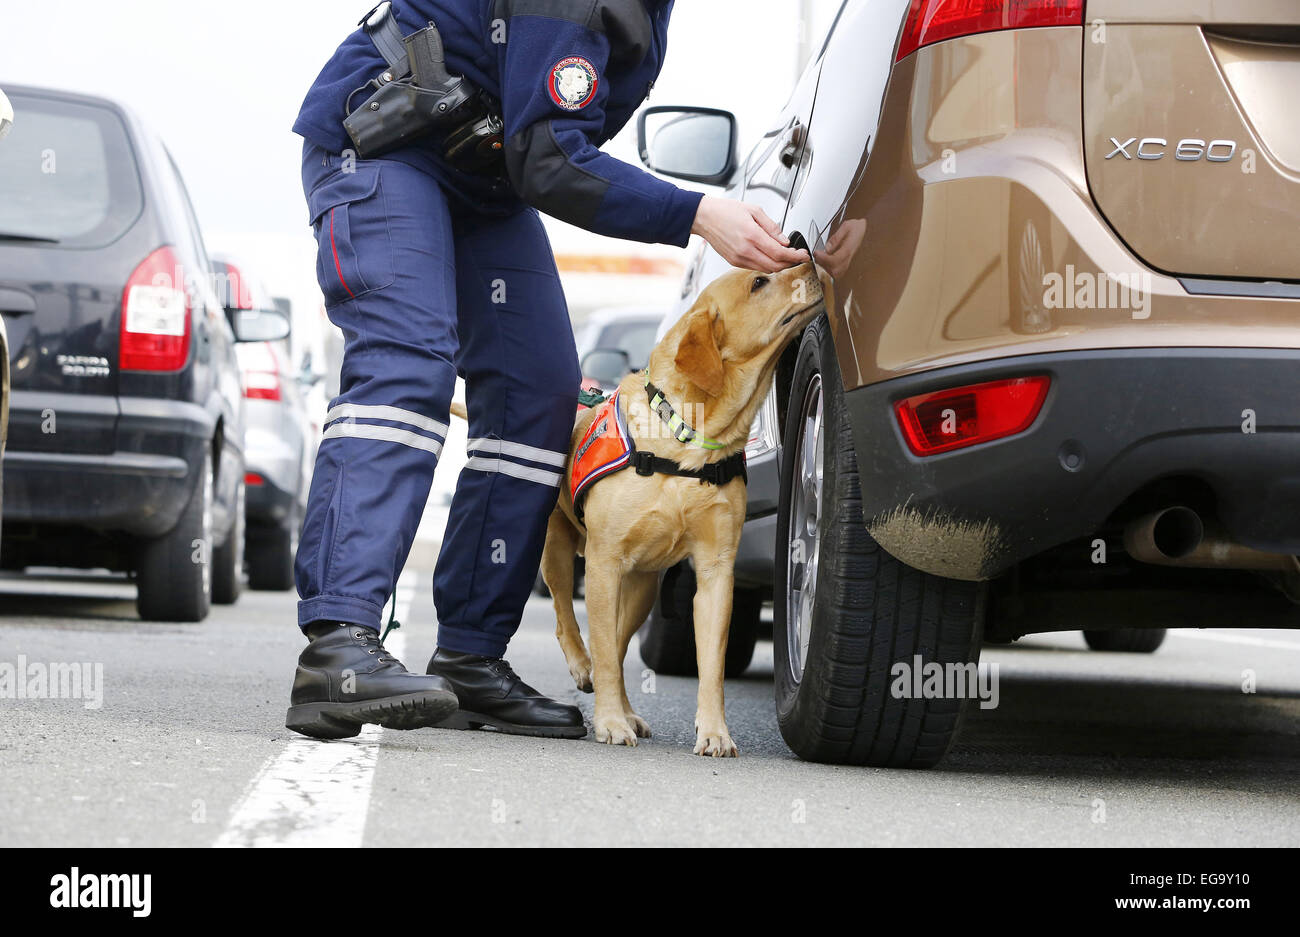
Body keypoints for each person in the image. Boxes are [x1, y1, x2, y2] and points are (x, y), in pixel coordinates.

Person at [285, 0, 807, 741]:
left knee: (539, 395)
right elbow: (554, 157)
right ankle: (337, 646)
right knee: (410, 363)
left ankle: (470, 652)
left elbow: (544, 141)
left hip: (483, 174)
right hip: (384, 140)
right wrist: (696, 211)